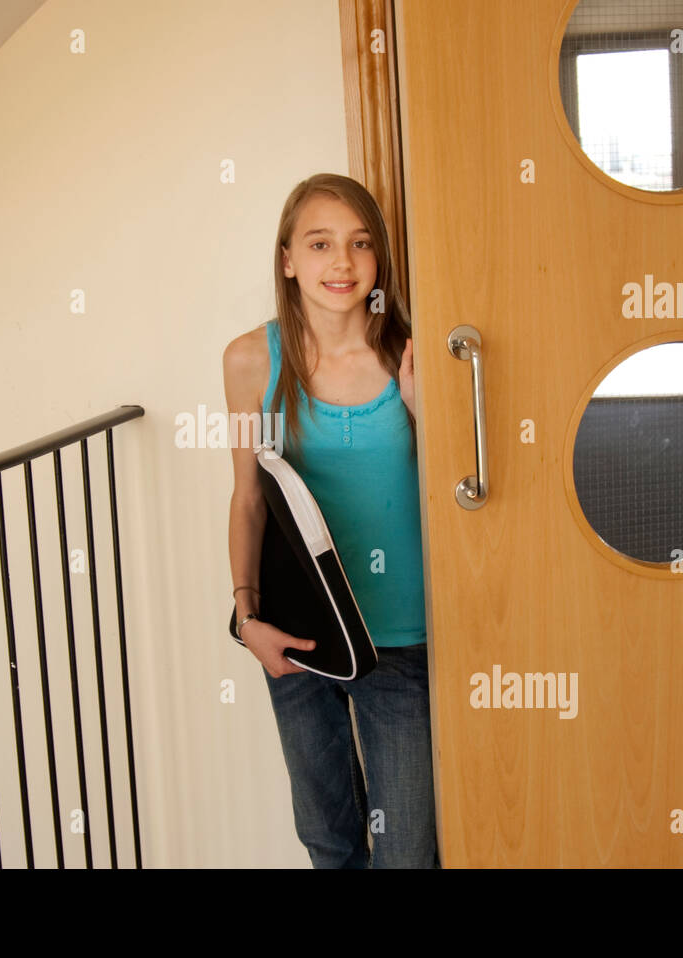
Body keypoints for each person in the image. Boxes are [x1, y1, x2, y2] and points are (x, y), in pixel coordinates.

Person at [222, 173, 438, 868]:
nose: (341, 264)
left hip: (402, 638)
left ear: (378, 259)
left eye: (359, 243)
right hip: (301, 631)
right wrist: (247, 618)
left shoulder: (413, 351)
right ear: (288, 257)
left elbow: (458, 492)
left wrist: (425, 410)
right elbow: (250, 496)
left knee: (408, 854)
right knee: (329, 839)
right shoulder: (252, 358)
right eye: (320, 244)